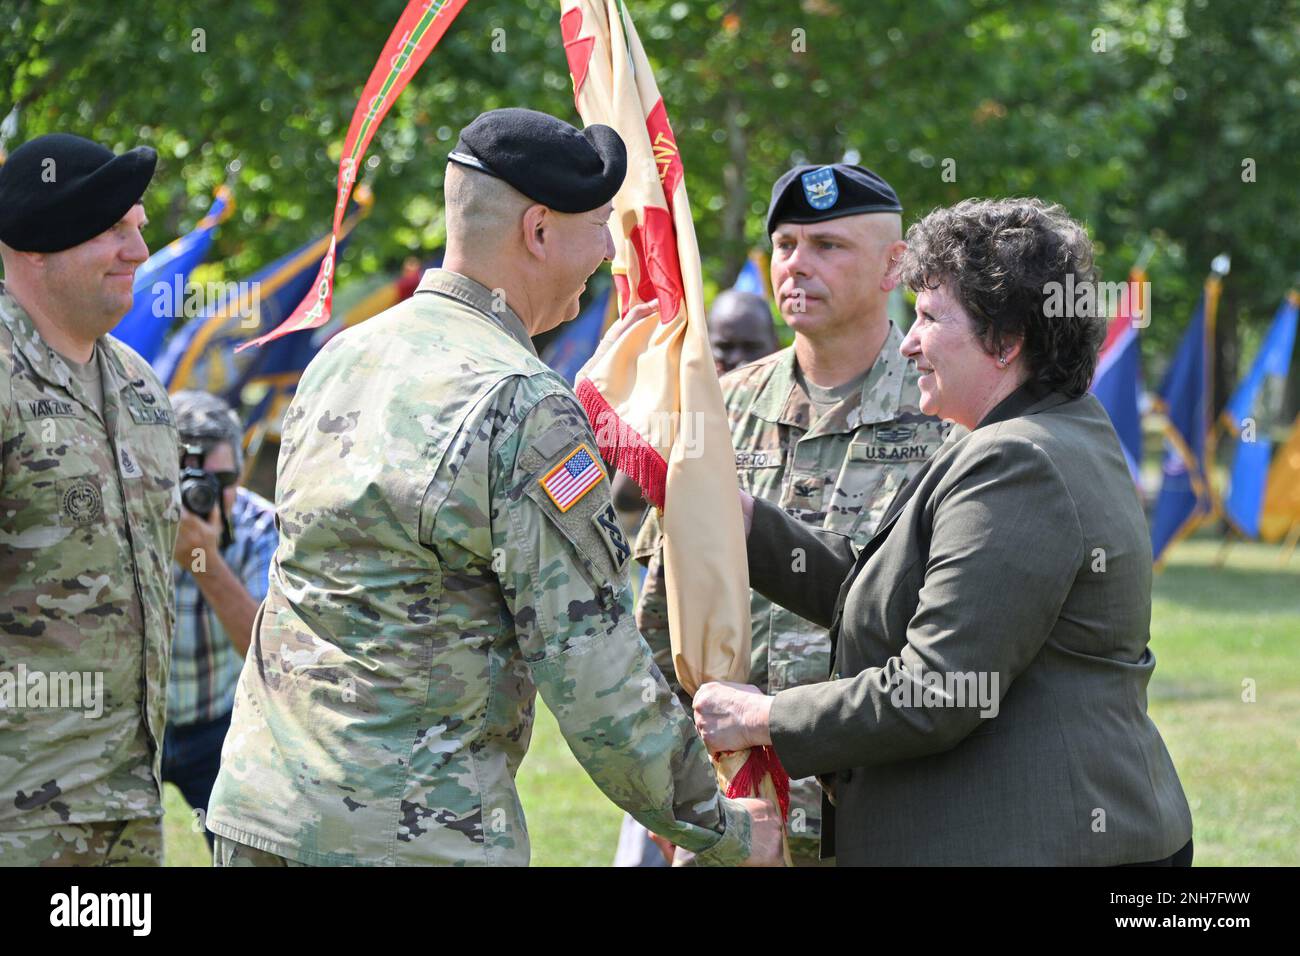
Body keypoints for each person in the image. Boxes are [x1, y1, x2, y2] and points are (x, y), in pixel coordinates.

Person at [205, 108, 781, 867]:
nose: (611, 251)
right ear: (539, 231)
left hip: (260, 816)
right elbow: (595, 675)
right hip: (410, 839)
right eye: (601, 223)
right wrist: (727, 828)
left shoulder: (342, 359)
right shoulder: (523, 404)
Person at [693, 197, 1194, 866]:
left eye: (929, 318)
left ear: (1006, 340)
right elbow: (903, 596)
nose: (908, 341)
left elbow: (939, 690)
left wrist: (764, 718)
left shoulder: (1018, 460)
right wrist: (750, 525)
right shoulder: (1049, 430)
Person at [625, 164, 950, 866]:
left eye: (829, 246)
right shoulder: (718, 410)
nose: (797, 265)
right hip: (736, 814)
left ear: (897, 264)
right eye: (787, 245)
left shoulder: (946, 415)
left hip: (887, 818)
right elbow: (659, 616)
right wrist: (679, 798)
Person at [0, 133, 179, 866]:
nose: (138, 249)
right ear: (37, 246)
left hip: (129, 809)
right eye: (113, 228)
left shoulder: (140, 387)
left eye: (137, 226)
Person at [164, 390, 277, 847]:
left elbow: (265, 653)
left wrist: (201, 560)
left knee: (243, 851)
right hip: (134, 727)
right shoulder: (128, 518)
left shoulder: (263, 527)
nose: (202, 495)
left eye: (220, 480)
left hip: (221, 726)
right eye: (188, 480)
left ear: (242, 473)